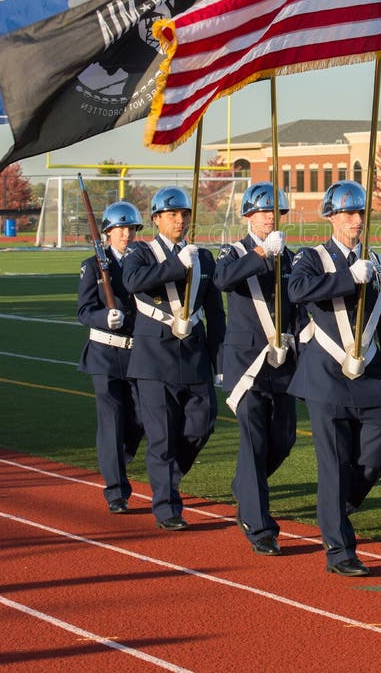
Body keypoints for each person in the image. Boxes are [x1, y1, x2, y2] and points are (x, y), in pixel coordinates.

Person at [287, 180, 381, 577]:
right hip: (325, 377)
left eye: (361, 213)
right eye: (349, 213)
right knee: (334, 464)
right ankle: (339, 551)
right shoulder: (311, 257)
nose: (357, 220)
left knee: (379, 453)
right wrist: (348, 279)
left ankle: (339, 504)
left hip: (370, 377)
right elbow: (297, 291)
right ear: (331, 217)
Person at [122, 186, 226, 531]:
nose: (179, 220)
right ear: (156, 220)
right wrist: (173, 266)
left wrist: (218, 361)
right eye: (172, 215)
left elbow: (215, 313)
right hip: (154, 360)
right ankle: (167, 506)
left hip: (194, 356)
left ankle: (169, 475)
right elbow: (133, 282)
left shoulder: (203, 258)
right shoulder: (141, 253)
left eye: (184, 215)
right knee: (162, 436)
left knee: (202, 424)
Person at [214, 182, 301, 557]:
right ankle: (259, 526)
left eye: (277, 212)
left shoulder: (293, 256)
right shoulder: (232, 252)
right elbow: (222, 280)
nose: (271, 217)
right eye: (264, 211)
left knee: (283, 440)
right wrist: (262, 252)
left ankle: (245, 487)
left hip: (282, 362)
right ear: (247, 216)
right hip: (247, 362)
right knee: (253, 441)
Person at [77, 200, 145, 514]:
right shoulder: (93, 265)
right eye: (120, 228)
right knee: (112, 422)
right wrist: (105, 317)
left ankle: (117, 458)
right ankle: (116, 490)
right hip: (105, 353)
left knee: (141, 419)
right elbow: (84, 311)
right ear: (107, 232)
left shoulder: (140, 261)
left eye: (131, 228)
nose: (127, 234)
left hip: (136, 353)